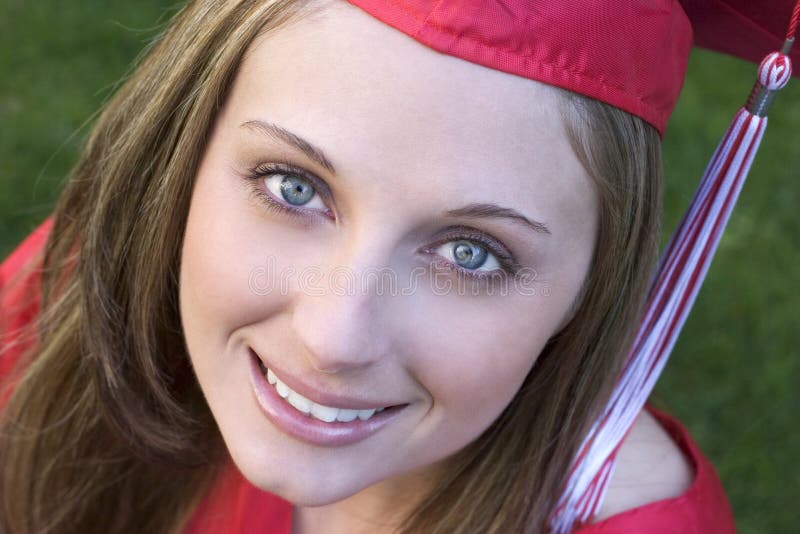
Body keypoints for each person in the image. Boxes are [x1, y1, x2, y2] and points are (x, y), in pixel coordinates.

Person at [1, 0, 767, 532]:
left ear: (589, 290)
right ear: (184, 155)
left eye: (472, 253)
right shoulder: (77, 299)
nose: (334, 337)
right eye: (292, 187)